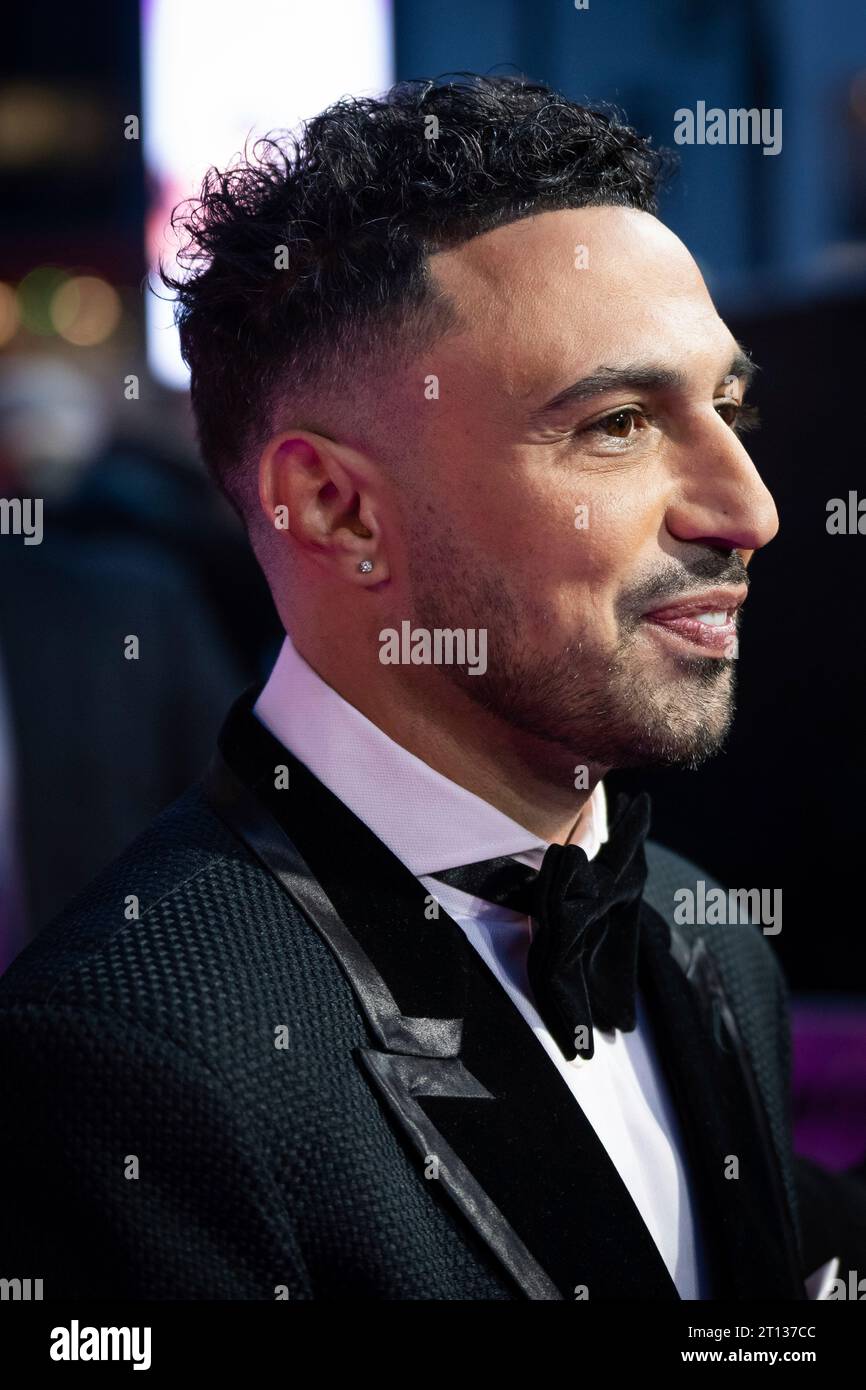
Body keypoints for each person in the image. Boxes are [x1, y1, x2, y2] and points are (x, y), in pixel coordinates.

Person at [0, 75, 863, 1301]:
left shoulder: (699, 933)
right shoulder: (123, 1063)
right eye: (616, 424)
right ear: (338, 508)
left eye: (725, 408)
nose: (750, 511)